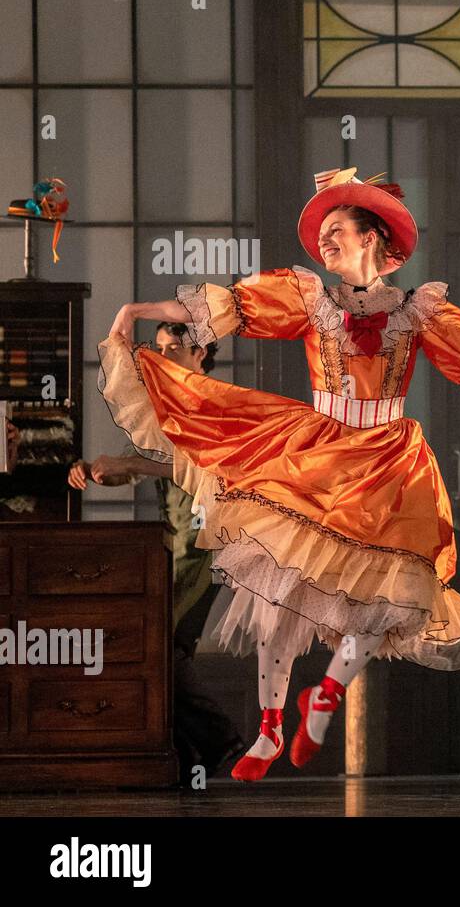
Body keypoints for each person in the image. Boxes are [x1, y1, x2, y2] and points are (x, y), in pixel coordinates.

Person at [99, 167, 460, 781]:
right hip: (316, 452)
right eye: (322, 233)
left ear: (371, 237)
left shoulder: (421, 311)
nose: (325, 240)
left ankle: (326, 693)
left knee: (387, 595)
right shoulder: (310, 297)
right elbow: (230, 307)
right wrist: (136, 308)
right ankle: (269, 727)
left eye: (337, 229)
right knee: (281, 591)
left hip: (387, 459)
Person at [76, 323, 244, 777]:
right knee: (167, 646)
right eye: (161, 348)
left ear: (201, 353)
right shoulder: (166, 403)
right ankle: (192, 751)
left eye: (175, 349)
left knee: (158, 640)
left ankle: (213, 740)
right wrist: (94, 470)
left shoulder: (214, 401)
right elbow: (142, 466)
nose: (165, 357)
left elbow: (200, 466)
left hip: (206, 544)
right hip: (175, 543)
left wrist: (129, 463)